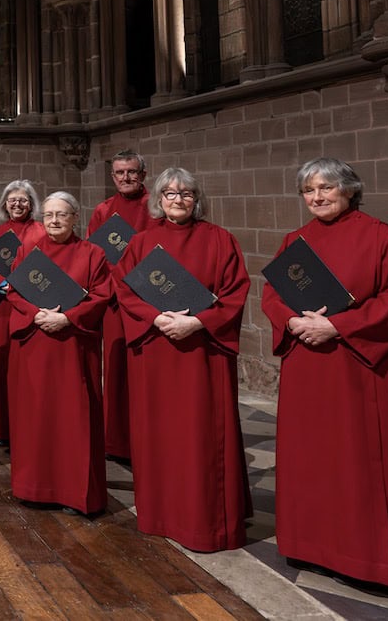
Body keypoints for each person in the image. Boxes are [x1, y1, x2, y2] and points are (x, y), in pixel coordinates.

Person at [261, 157, 388, 588]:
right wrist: (291, 321)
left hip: (358, 367)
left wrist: (339, 326)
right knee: (311, 457)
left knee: (361, 460)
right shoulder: (295, 240)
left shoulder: (381, 236)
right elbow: (272, 293)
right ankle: (310, 546)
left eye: (326, 188)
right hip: (307, 364)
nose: (316, 197)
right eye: (308, 190)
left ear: (349, 189)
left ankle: (370, 562)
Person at [114, 168, 251, 551]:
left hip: (202, 353)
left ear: (197, 199)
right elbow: (124, 289)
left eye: (186, 193)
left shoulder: (220, 239)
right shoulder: (142, 242)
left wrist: (199, 322)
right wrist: (155, 318)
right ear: (159, 199)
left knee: (201, 436)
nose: (178, 199)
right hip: (156, 353)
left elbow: (236, 291)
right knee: (159, 433)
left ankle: (205, 523)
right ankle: (161, 515)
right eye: (170, 193)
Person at [6, 192, 110, 515]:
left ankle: (74, 493)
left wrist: (68, 318)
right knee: (35, 417)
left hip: (73, 347)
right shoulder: (28, 250)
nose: (53, 221)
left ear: (75, 217)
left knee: (73, 419)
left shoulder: (93, 254)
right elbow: (14, 290)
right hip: (35, 344)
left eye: (61, 214)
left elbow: (101, 295)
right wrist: (36, 314)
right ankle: (34, 488)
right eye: (48, 215)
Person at [87, 150, 156, 463]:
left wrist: (139, 285)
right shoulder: (103, 210)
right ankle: (116, 442)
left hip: (150, 299)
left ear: (143, 174)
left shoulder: (156, 206)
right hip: (116, 300)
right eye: (119, 173)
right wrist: (120, 285)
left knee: (146, 372)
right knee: (115, 369)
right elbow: (94, 256)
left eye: (131, 172)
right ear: (112, 176)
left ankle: (147, 437)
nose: (126, 177)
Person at [0, 180, 46, 446]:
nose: (17, 204)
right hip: (1, 307)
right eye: (12, 200)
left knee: (28, 369)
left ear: (32, 204)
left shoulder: (42, 232)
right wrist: (2, 283)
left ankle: (27, 426)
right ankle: (0, 429)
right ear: (5, 204)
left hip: (30, 306)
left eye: (23, 200)